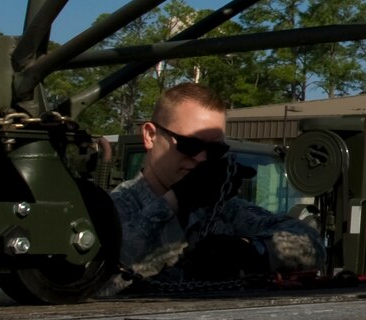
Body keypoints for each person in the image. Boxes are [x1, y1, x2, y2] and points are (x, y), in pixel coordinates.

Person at [106, 82, 321, 289]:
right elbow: (98, 277)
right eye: (190, 145)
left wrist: (252, 251)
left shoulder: (221, 209)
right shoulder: (111, 211)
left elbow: (310, 243)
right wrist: (175, 201)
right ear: (151, 136)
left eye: (214, 150)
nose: (201, 159)